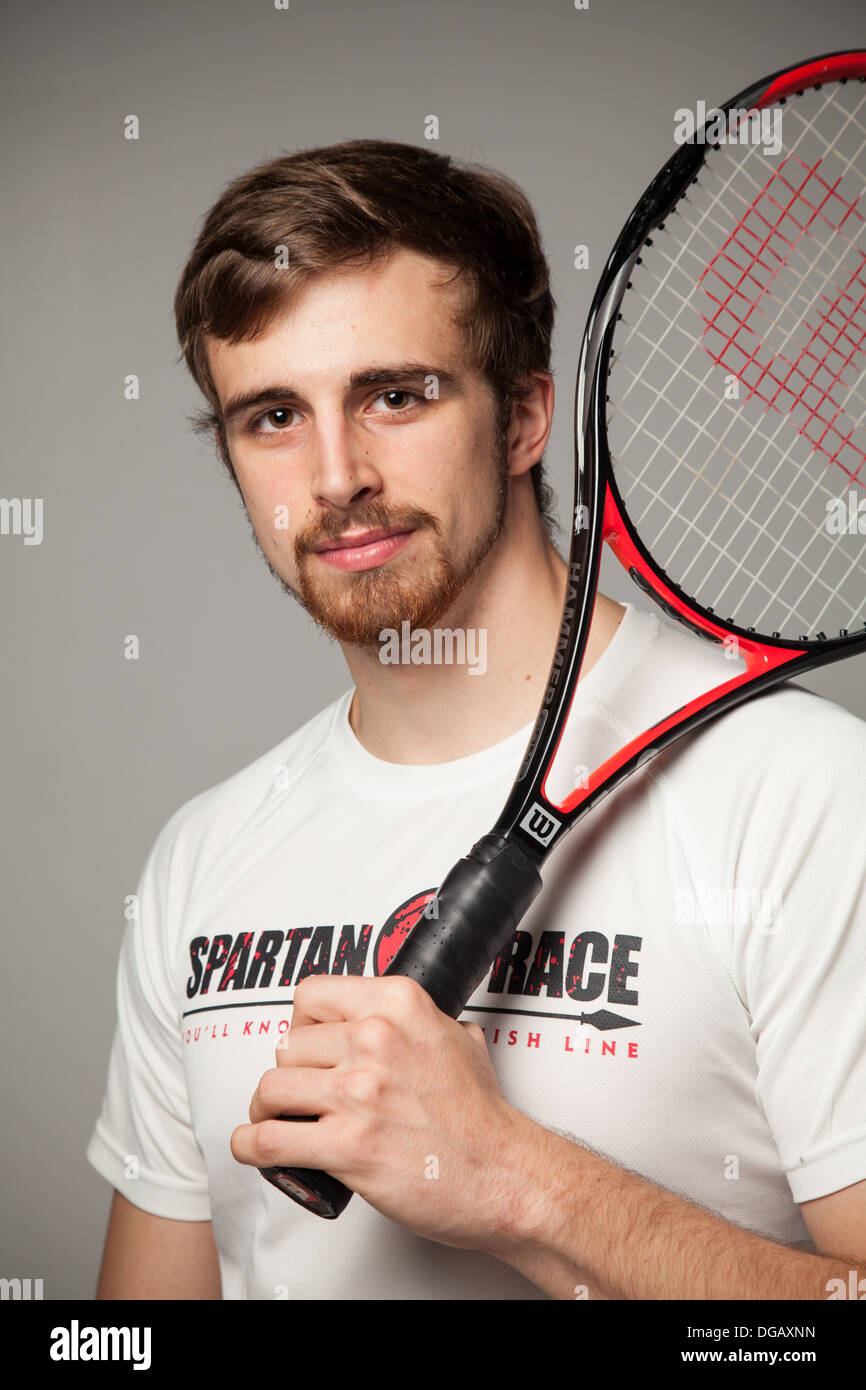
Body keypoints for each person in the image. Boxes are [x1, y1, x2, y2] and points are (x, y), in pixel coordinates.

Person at [88, 139, 866, 1301]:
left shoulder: (805, 797)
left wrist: (512, 1178)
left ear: (520, 418)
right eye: (271, 417)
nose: (335, 472)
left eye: (394, 395)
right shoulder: (202, 859)